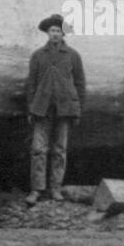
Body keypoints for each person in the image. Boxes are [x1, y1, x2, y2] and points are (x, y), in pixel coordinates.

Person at [25, 15, 85, 205]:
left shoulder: (73, 56)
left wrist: (78, 110)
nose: (55, 34)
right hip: (42, 109)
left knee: (60, 150)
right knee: (38, 150)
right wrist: (30, 108)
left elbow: (80, 84)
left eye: (59, 31)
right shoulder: (38, 55)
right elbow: (31, 84)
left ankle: (56, 188)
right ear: (47, 33)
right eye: (52, 31)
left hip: (65, 109)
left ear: (63, 34)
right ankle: (36, 190)